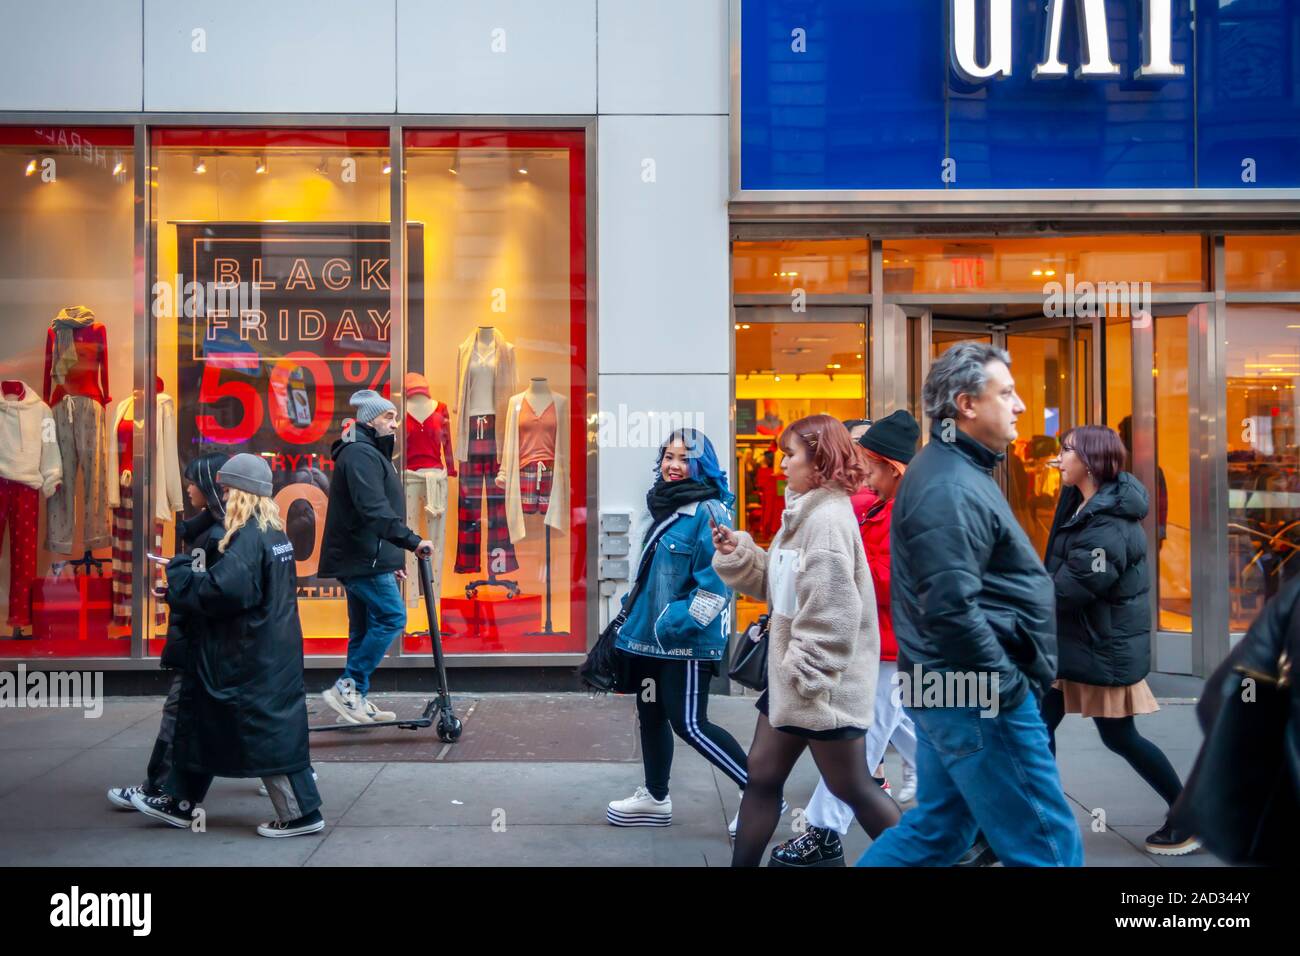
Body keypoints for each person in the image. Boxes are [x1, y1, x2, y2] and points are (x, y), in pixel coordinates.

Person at [858, 341, 1083, 867]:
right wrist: (1006, 689)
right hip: (979, 694)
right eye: (1006, 392)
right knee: (1048, 845)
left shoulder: (953, 470)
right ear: (966, 404)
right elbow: (950, 609)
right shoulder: (946, 483)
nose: (1020, 405)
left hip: (960, 688)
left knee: (939, 831)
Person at [713, 414, 902, 867]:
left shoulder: (827, 519)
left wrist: (804, 671)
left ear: (819, 461)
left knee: (853, 786)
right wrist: (739, 554)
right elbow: (782, 588)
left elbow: (835, 613)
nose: (781, 464)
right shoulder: (806, 511)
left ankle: (921, 861)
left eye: (789, 454)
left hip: (817, 686)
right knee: (762, 776)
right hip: (795, 681)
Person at [132, 454, 324, 837]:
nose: (220, 494)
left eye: (225, 488)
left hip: (248, 657)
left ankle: (301, 814)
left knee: (265, 734)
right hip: (266, 651)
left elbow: (223, 592)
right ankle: (180, 803)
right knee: (205, 721)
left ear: (240, 493)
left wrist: (181, 574)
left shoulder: (249, 537)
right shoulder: (272, 533)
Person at [769, 411, 921, 867]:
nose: (861, 468)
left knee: (867, 744)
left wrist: (842, 569)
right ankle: (967, 814)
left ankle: (823, 831)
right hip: (871, 646)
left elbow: (899, 582)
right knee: (904, 734)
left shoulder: (906, 513)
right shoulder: (861, 505)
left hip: (890, 647)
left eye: (869, 460)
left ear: (891, 467)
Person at [1041, 424, 1197, 855]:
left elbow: (1072, 588)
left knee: (1118, 736)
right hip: (1076, 644)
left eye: (1067, 451)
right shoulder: (1081, 502)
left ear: (1090, 460)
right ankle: (1039, 821)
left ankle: (1189, 813)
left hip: (1097, 649)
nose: (1060, 458)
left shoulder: (1106, 522)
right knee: (1039, 728)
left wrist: (1015, 596)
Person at [605, 429, 753, 827]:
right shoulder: (665, 507)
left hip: (684, 643)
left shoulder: (708, 513)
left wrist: (673, 625)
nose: (673, 465)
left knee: (690, 723)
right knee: (650, 713)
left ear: (701, 464)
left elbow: (714, 590)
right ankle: (655, 798)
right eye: (668, 457)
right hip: (649, 641)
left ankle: (758, 793)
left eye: (684, 458)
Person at [106, 452, 228, 813]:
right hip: (202, 641)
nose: (188, 488)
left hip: (202, 643)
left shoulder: (214, 535)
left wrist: (178, 589)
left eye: (193, 481)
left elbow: (210, 592)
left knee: (180, 712)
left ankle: (156, 787)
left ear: (208, 486)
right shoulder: (208, 529)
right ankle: (160, 787)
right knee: (211, 714)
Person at [318, 389, 433, 724]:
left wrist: (392, 560)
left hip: (369, 557)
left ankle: (353, 702)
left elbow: (371, 512)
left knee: (364, 627)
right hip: (361, 558)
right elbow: (373, 510)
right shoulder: (360, 455)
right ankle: (347, 689)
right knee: (392, 618)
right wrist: (411, 542)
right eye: (389, 417)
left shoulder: (367, 452)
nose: (395, 424)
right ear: (370, 419)